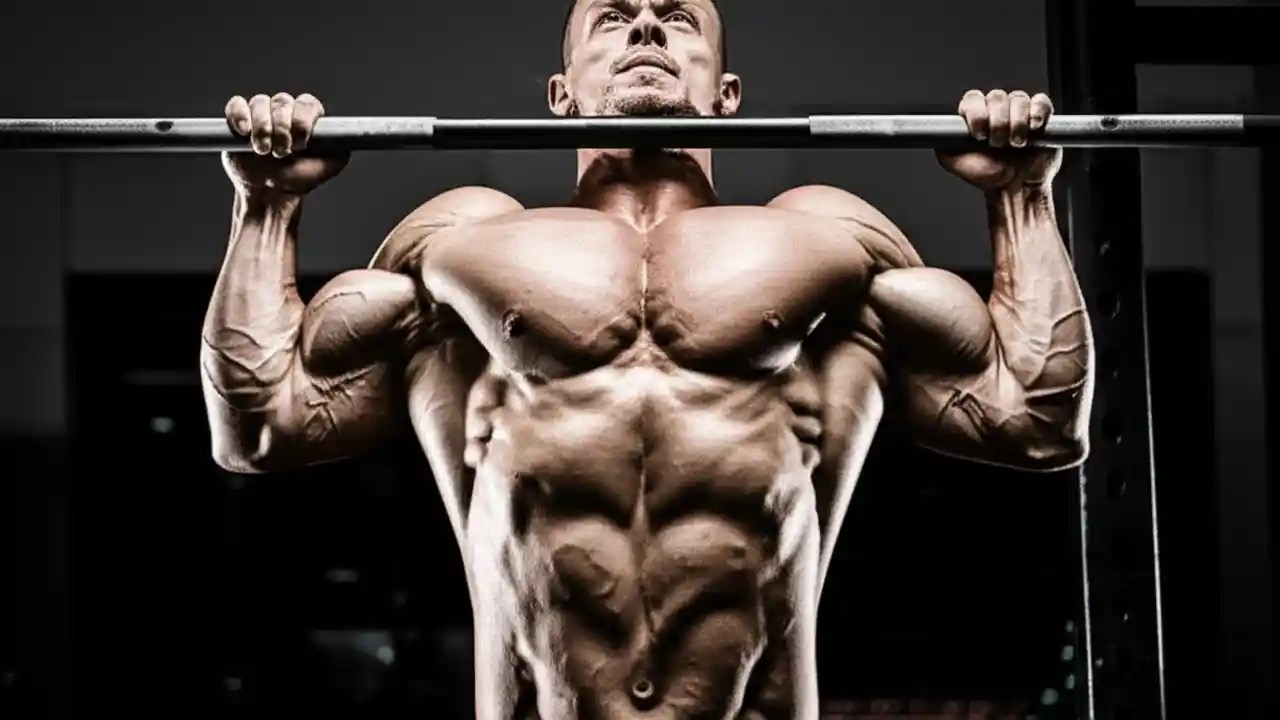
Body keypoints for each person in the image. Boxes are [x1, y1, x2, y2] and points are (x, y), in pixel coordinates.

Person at [201, 0, 1094, 717]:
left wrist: (1022, 197)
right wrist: (267, 207)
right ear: (561, 92)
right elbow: (265, 426)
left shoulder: (827, 242)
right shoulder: (462, 245)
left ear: (727, 92)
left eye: (677, 17)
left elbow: (1037, 419)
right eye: (613, 16)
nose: (645, 29)